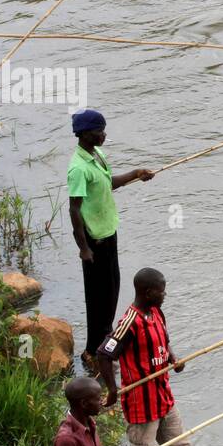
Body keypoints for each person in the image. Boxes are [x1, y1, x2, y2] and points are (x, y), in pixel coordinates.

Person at [97, 267, 223, 446]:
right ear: (148, 293)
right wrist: (113, 389)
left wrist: (172, 357)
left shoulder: (156, 312)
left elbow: (164, 341)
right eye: (161, 290)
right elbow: (104, 354)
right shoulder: (130, 322)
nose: (165, 294)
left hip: (163, 397)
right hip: (141, 403)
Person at [67, 109, 154, 370]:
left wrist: (136, 174)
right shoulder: (78, 168)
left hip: (109, 232)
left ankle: (104, 345)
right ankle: (93, 353)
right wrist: (83, 248)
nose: (104, 134)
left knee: (112, 291)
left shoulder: (98, 156)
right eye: (99, 130)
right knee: (97, 298)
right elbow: (74, 209)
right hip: (94, 241)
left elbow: (109, 184)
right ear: (84, 134)